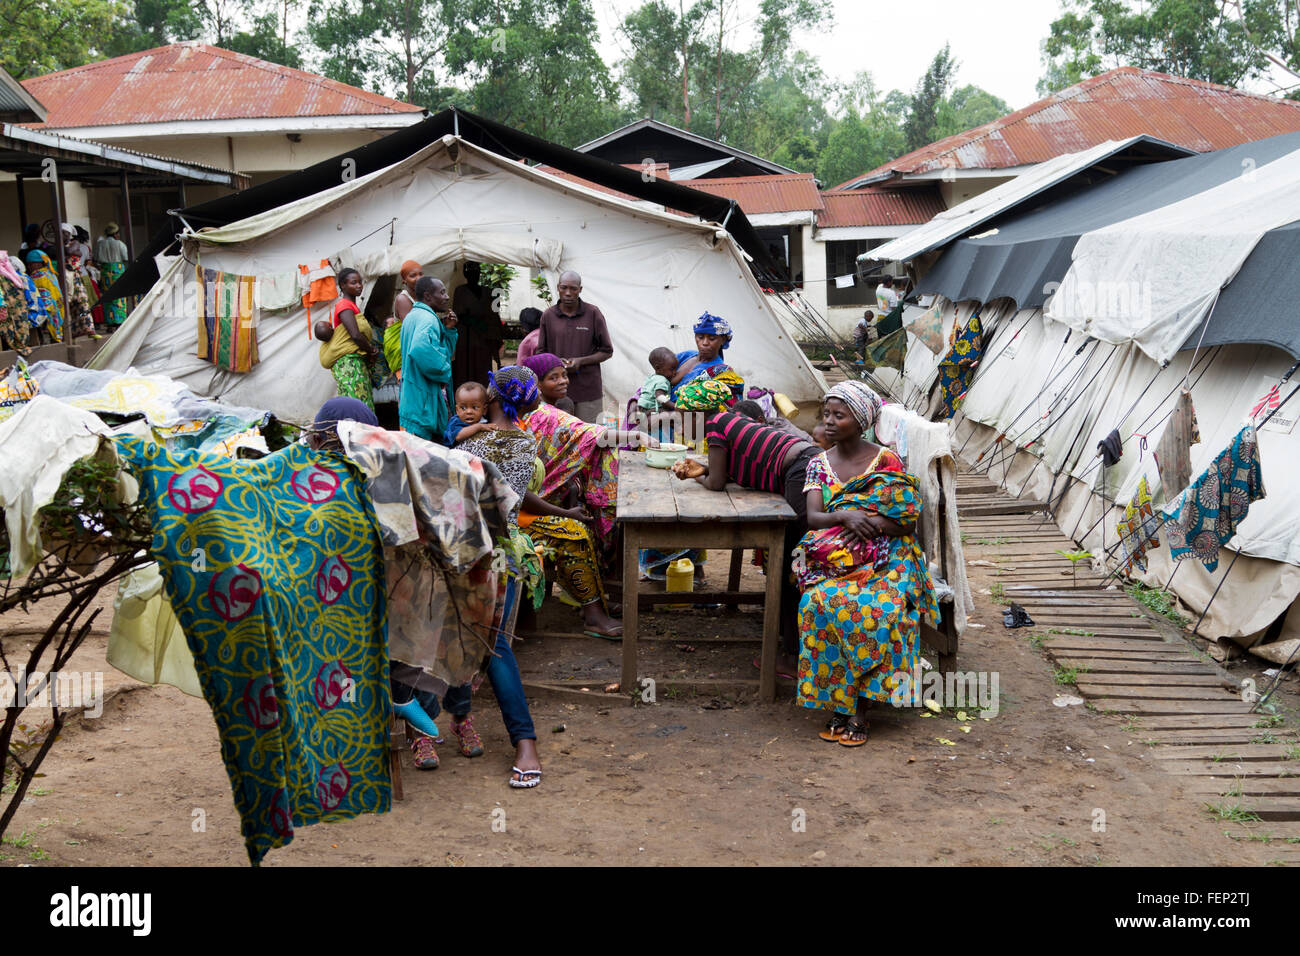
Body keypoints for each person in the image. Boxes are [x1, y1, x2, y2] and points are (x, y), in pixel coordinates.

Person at [795, 381, 938, 747]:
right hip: (834, 562)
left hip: (888, 558)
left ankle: (859, 707)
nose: (828, 422)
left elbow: (906, 521)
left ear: (860, 421)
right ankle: (840, 702)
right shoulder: (818, 463)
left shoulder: (887, 461)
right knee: (816, 603)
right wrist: (846, 516)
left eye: (838, 415)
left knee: (871, 608)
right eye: (826, 414)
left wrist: (869, 524)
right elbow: (813, 517)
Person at [671, 404, 819, 673]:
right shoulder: (732, 420)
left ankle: (795, 657)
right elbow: (733, 467)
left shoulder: (716, 424)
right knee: (793, 561)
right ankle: (797, 647)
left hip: (801, 470)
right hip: (805, 463)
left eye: (684, 416)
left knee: (793, 563)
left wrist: (699, 479)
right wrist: (704, 470)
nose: (683, 423)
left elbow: (717, 484)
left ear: (697, 414)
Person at [519, 352, 622, 555]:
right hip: (540, 500)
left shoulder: (543, 409)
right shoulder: (545, 415)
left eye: (564, 375)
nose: (562, 381)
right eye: (553, 377)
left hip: (541, 495)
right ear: (536, 384)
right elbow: (593, 435)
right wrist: (639, 437)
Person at [536, 270, 613, 423]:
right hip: (556, 391)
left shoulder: (593, 313)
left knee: (589, 436)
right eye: (564, 288)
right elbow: (541, 352)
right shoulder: (548, 316)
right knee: (558, 436)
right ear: (558, 288)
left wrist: (580, 361)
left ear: (580, 290)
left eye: (573, 289)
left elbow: (607, 351)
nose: (568, 293)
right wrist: (557, 364)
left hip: (588, 390)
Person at [399, 276, 458, 441]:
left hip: (415, 398)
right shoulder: (428, 319)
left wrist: (448, 330)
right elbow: (420, 348)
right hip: (426, 401)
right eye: (442, 292)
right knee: (436, 450)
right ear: (428, 296)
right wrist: (444, 370)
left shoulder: (413, 315)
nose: (446, 297)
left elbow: (437, 348)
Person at [317, 267, 380, 409]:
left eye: (360, 282)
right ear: (343, 286)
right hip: (349, 365)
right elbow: (356, 335)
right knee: (357, 405)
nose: (359, 286)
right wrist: (371, 351)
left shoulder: (352, 307)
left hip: (354, 362)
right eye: (353, 283)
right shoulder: (344, 305)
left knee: (360, 403)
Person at [451, 261, 504, 391]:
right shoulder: (460, 291)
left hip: (484, 339)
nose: (474, 274)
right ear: (465, 274)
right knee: (465, 369)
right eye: (470, 272)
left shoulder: (488, 292)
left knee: (483, 368)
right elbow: (459, 314)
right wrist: (476, 322)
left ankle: (483, 396)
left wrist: (495, 335)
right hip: (466, 339)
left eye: (477, 271)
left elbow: (494, 315)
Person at [384, 259, 423, 380]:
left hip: (417, 350)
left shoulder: (422, 297)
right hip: (407, 354)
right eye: (413, 276)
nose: (419, 278)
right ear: (404, 281)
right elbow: (412, 331)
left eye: (421, 274)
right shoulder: (403, 299)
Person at [95, 224, 130, 328]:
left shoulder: (100, 244)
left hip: (105, 271)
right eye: (118, 233)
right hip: (117, 270)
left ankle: (110, 320)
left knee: (108, 296)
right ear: (115, 234)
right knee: (119, 295)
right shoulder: (120, 244)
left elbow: (96, 258)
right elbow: (126, 257)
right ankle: (119, 320)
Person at [443, 381, 494, 446]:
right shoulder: (456, 422)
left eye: (475, 407)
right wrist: (479, 427)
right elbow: (458, 436)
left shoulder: (483, 420)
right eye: (463, 408)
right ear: (457, 410)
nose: (469, 412)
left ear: (484, 409)